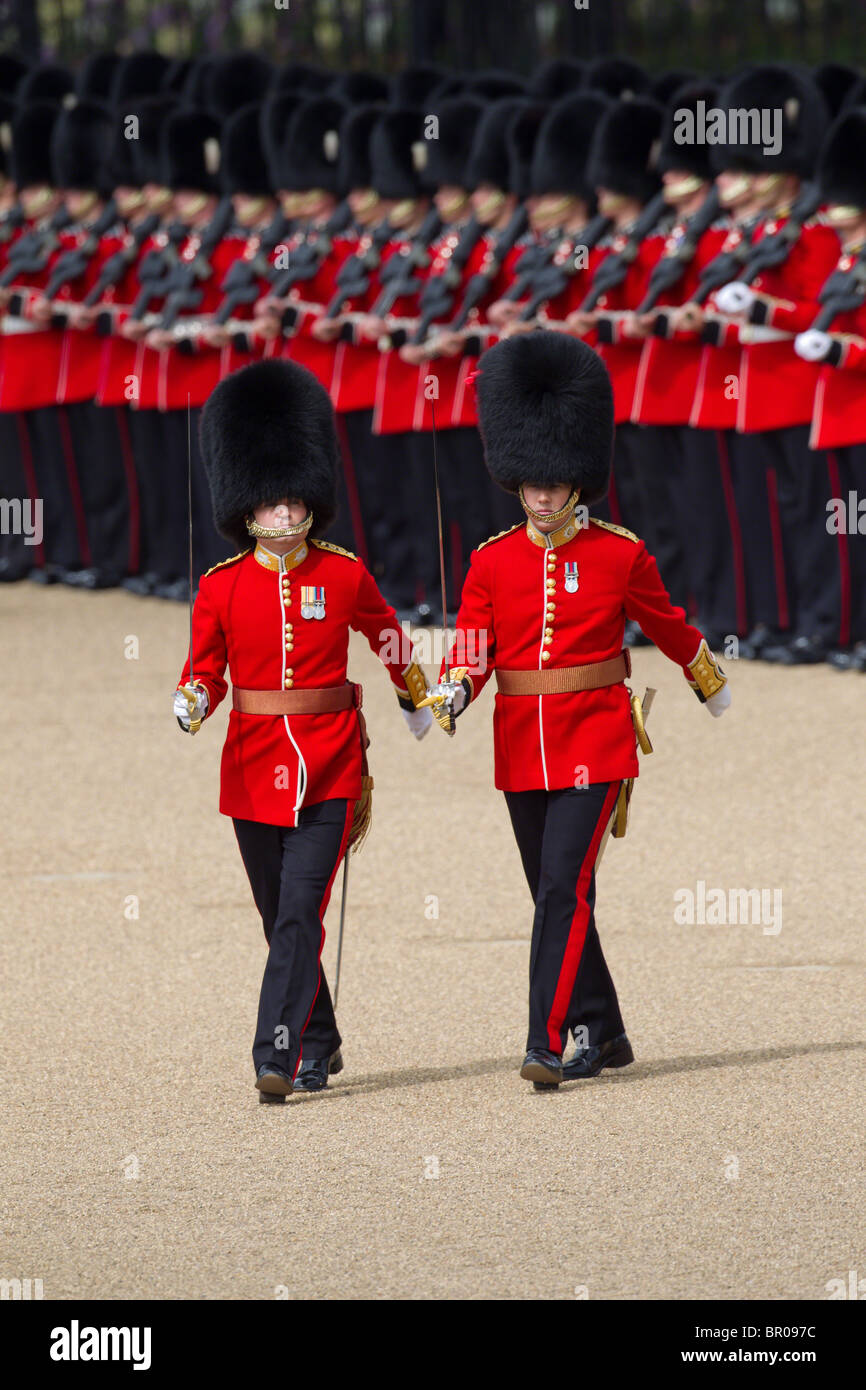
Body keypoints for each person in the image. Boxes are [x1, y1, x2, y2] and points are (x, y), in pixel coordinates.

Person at [425, 331, 731, 1090]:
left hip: (597, 739)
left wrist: (706, 677)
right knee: (557, 893)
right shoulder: (491, 560)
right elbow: (474, 641)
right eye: (530, 484)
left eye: (553, 484)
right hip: (520, 748)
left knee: (564, 886)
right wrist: (458, 685)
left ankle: (547, 1039)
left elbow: (665, 621)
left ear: (578, 482)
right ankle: (607, 1029)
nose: (540, 495)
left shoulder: (619, 555)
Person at [173, 359, 431, 1102]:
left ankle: (277, 1054)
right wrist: (194, 698)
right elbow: (208, 667)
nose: (285, 517)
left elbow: (387, 638)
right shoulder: (221, 586)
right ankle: (319, 1036)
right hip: (253, 768)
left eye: (294, 504)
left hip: (329, 767)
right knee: (276, 917)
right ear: (246, 508)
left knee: (297, 913)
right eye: (270, 506)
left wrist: (414, 699)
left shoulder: (343, 575)